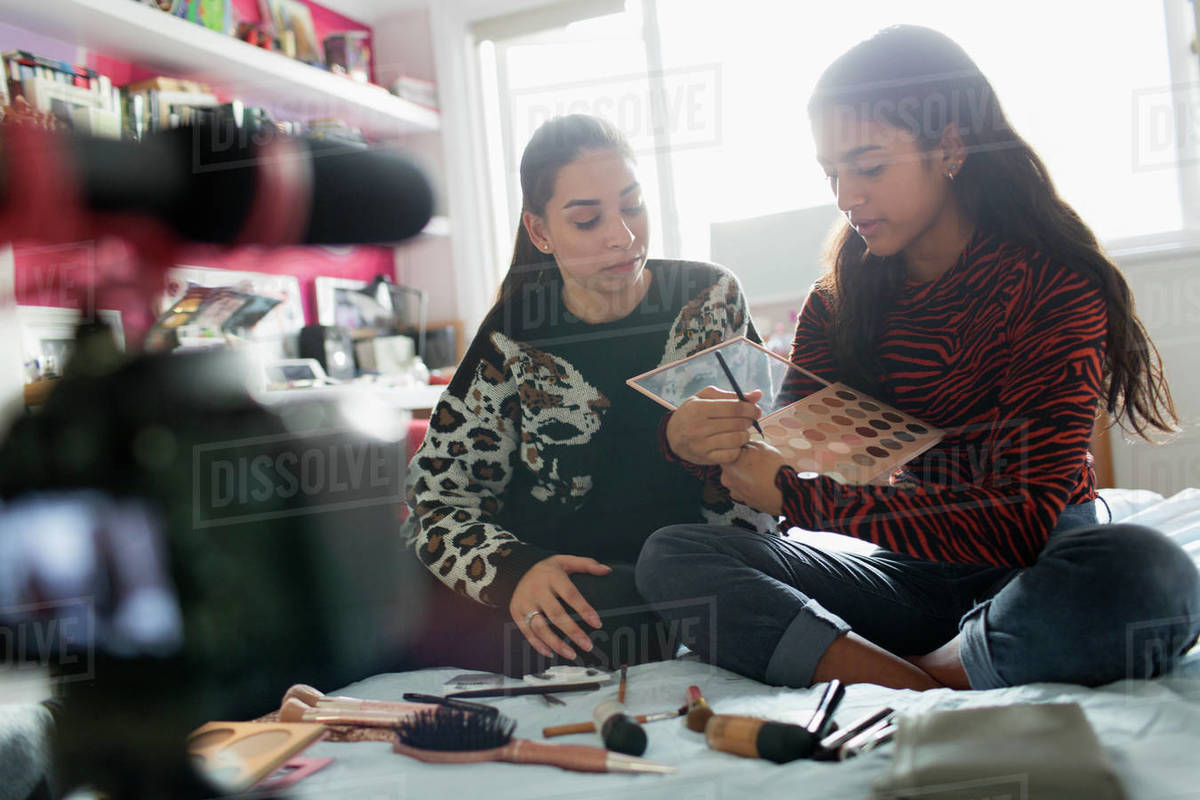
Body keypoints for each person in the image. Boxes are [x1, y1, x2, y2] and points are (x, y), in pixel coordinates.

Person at [636, 25, 1200, 691]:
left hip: (1041, 568)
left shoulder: (1053, 289)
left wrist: (799, 495)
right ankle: (929, 679)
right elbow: (798, 457)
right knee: (674, 556)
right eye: (832, 173)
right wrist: (700, 443)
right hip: (912, 577)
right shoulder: (838, 305)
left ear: (951, 146)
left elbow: (1020, 526)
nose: (846, 196)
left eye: (869, 167)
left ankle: (917, 677)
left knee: (1152, 573)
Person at [402, 114, 772, 675]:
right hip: (576, 581)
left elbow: (769, 453)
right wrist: (516, 571)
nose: (622, 236)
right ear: (541, 231)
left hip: (700, 564)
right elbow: (435, 505)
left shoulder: (710, 297)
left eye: (633, 206)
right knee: (612, 612)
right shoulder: (513, 337)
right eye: (586, 220)